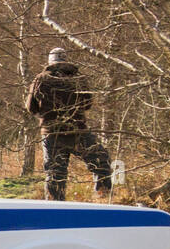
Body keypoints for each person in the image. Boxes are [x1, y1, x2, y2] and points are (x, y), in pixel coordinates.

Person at [25, 47, 114, 200]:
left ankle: (55, 211)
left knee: (55, 175)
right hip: (77, 131)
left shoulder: (41, 79)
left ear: (50, 61)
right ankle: (103, 197)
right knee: (101, 162)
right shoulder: (79, 79)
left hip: (52, 134)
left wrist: (46, 114)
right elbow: (87, 105)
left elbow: (30, 107)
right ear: (66, 60)